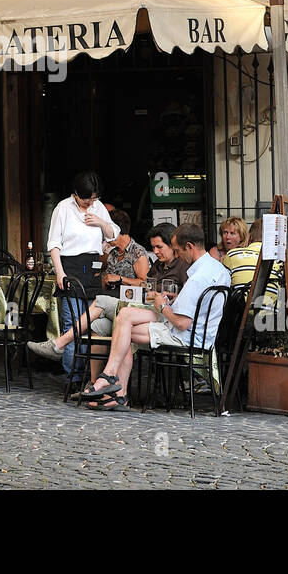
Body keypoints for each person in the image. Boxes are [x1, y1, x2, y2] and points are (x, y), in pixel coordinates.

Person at [79, 223, 233, 411]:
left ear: (190, 247)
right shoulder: (217, 269)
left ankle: (114, 386)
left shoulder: (197, 278)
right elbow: (198, 305)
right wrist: (176, 299)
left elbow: (182, 323)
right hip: (200, 331)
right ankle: (115, 388)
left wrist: (162, 306)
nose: (177, 255)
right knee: (124, 320)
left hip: (186, 335)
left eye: (177, 250)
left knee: (123, 325)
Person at [25, 209, 149, 380]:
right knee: (92, 327)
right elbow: (101, 269)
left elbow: (145, 282)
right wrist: (103, 276)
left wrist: (120, 279)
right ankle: (89, 380)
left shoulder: (137, 252)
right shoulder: (112, 253)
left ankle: (60, 347)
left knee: (92, 309)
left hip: (127, 305)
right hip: (111, 303)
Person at [45, 171, 117, 383]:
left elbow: (113, 234)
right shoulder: (63, 208)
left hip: (93, 268)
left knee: (91, 324)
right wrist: (60, 272)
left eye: (93, 198)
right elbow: (54, 244)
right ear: (75, 194)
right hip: (70, 268)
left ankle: (89, 375)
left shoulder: (98, 207)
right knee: (72, 324)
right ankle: (73, 376)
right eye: (85, 199)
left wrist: (100, 222)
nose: (88, 203)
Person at [147, 221, 191, 290]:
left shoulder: (183, 266)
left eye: (159, 247)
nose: (155, 252)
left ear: (172, 245)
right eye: (153, 247)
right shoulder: (157, 264)